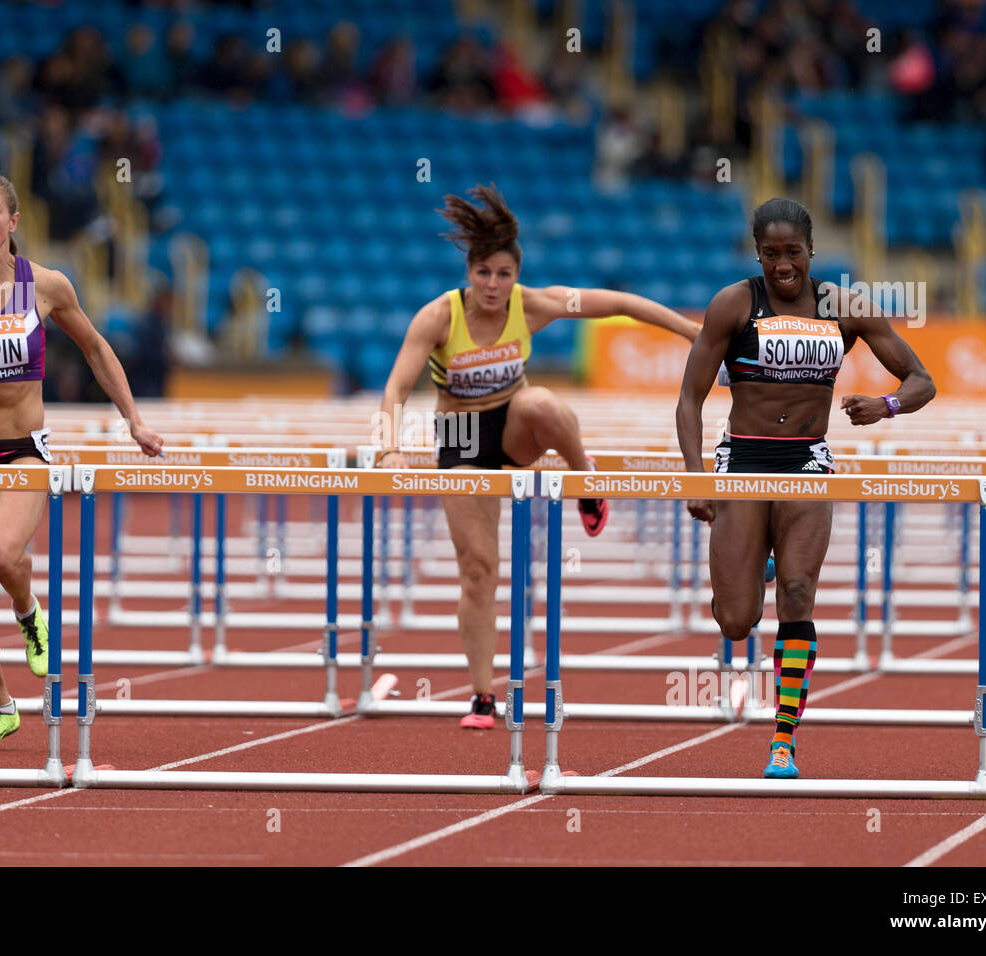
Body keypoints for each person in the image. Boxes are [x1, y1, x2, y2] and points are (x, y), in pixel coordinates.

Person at [377, 183, 701, 729]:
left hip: (517, 425)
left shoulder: (533, 305)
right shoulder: (437, 318)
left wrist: (694, 332)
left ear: (516, 276)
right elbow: (393, 392)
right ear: (469, 272)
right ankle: (482, 696)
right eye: (484, 273)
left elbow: (619, 304)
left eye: (504, 274)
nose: (494, 285)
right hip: (462, 437)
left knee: (545, 401)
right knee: (478, 571)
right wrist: (388, 449)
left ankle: (586, 482)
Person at [0, 170, 163, 750]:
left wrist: (134, 421)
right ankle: (1, 706)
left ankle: (27, 609)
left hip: (20, 448)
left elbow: (95, 347)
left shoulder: (43, 286)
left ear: (13, 222)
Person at [676, 197, 936, 779]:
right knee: (736, 621)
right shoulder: (733, 304)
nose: (782, 265)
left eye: (793, 252)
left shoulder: (846, 308)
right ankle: (746, 570)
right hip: (742, 462)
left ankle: (783, 741)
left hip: (807, 463)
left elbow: (923, 380)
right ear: (758, 254)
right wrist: (693, 477)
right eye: (771, 254)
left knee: (797, 591)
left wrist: (885, 405)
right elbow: (690, 397)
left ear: (812, 251)